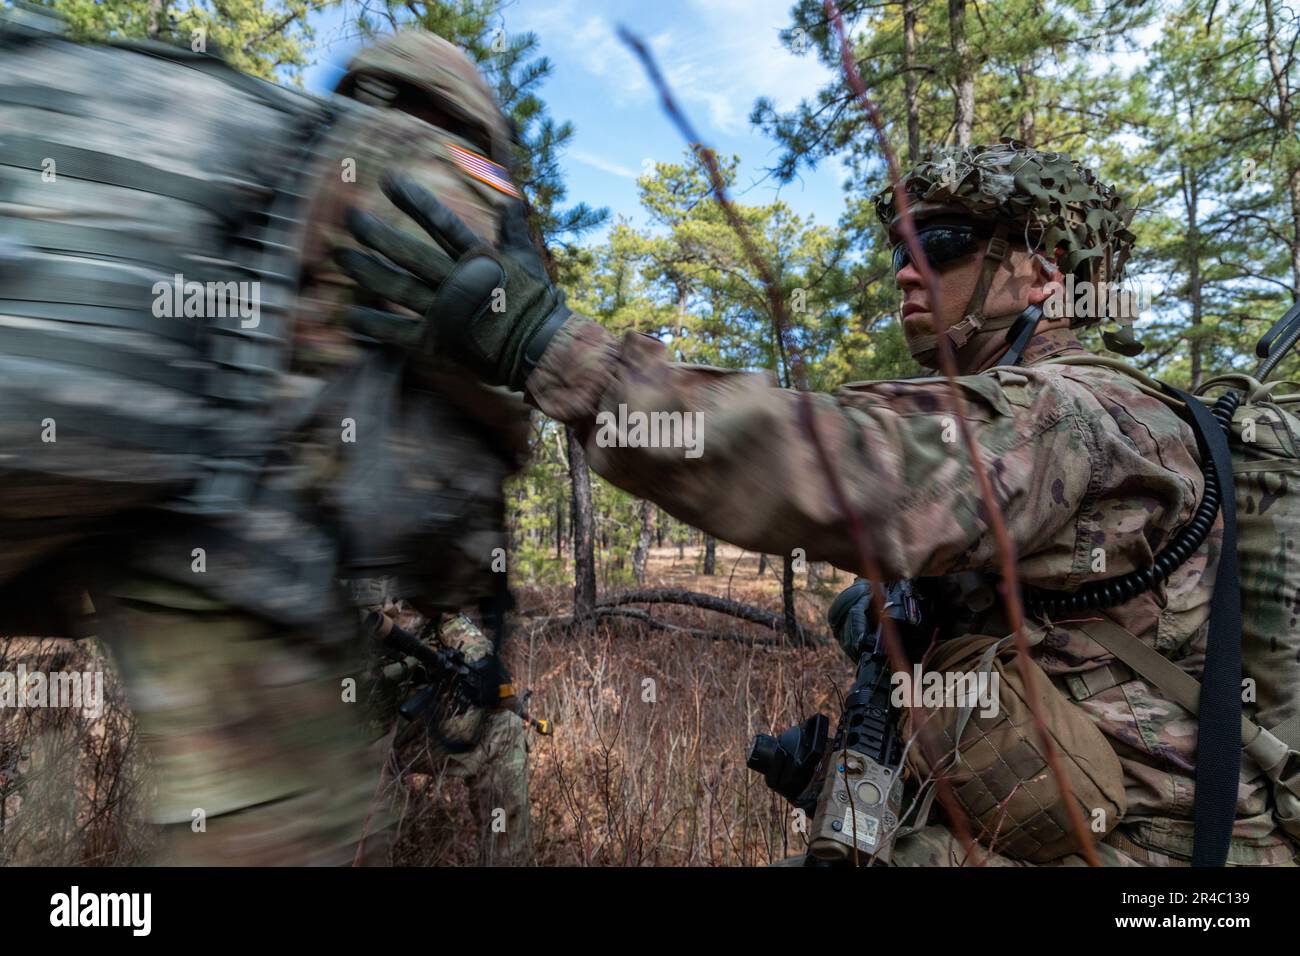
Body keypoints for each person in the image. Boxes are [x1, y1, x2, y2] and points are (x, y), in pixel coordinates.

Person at [336, 139, 1297, 866]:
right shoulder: (1057, 418)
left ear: (1044, 274)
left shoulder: (1073, 411)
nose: (906, 268)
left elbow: (824, 466)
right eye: (898, 247)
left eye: (945, 241)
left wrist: (549, 349)